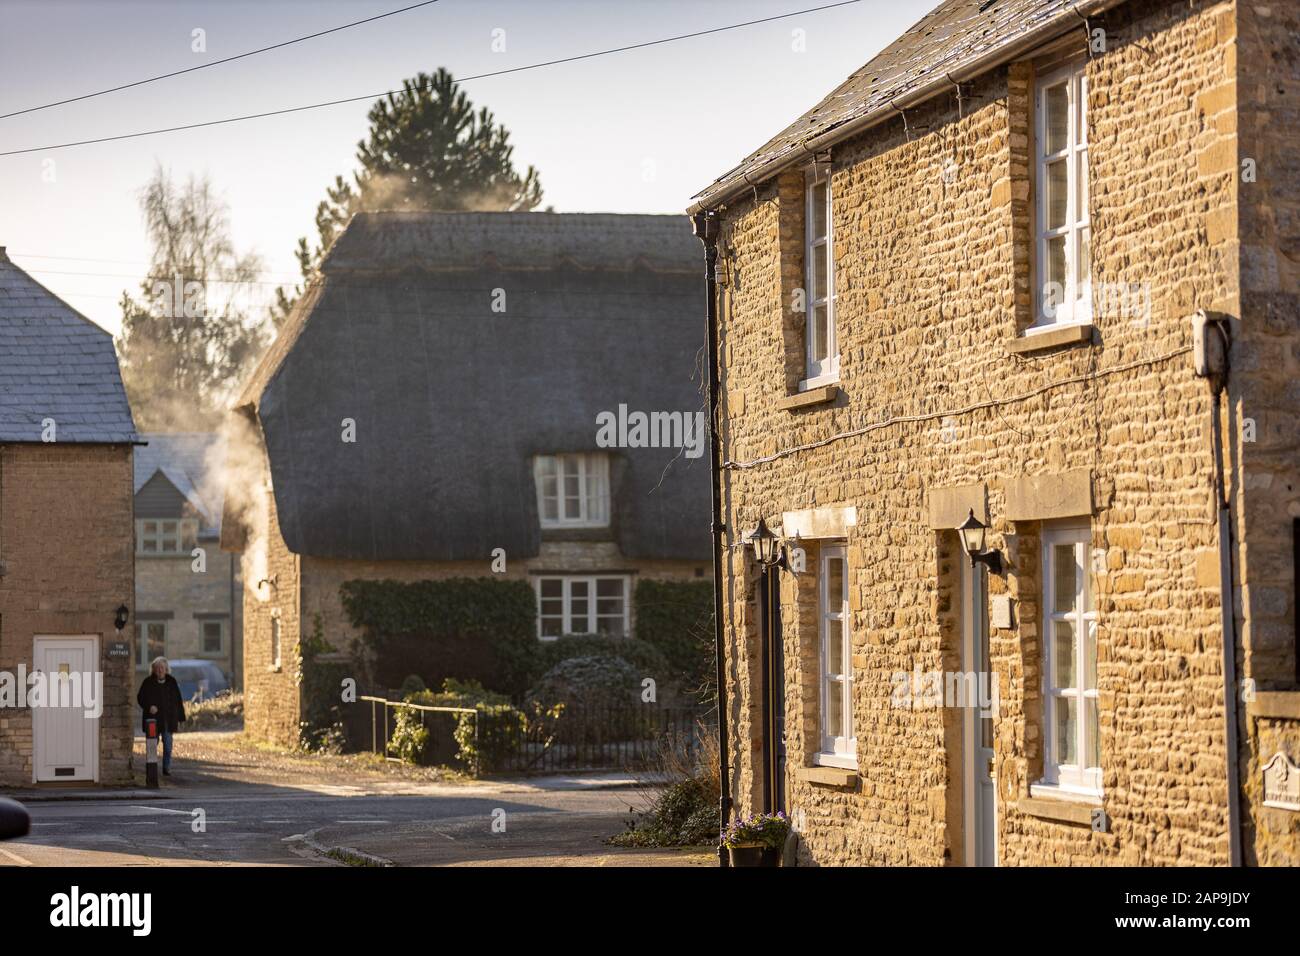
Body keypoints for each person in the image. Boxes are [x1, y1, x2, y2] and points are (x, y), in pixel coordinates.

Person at [136, 657, 186, 775]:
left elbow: (178, 700)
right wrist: (149, 707)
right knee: (152, 745)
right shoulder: (147, 682)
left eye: (162, 668)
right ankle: (151, 769)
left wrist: (181, 718)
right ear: (153, 670)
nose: (160, 670)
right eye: (157, 668)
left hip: (168, 719)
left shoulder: (172, 682)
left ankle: (166, 768)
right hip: (152, 720)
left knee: (168, 745)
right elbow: (140, 698)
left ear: (166, 669)